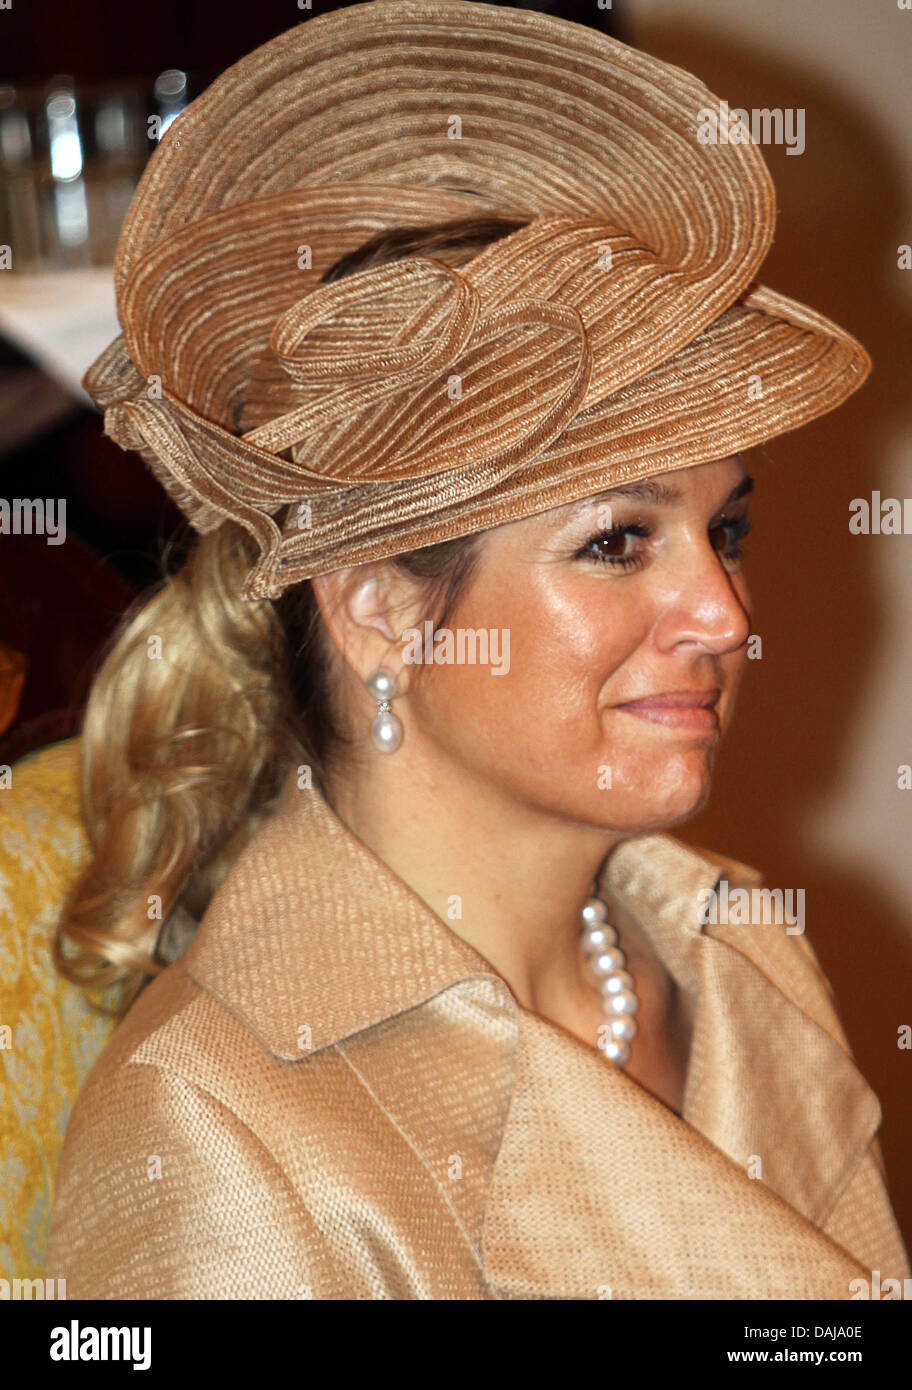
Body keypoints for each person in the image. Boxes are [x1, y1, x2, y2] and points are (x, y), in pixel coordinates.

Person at [45, 0, 908, 1298]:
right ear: (379, 605)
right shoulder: (216, 1131)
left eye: (723, 528)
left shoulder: (737, 948)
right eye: (618, 542)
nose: (726, 613)